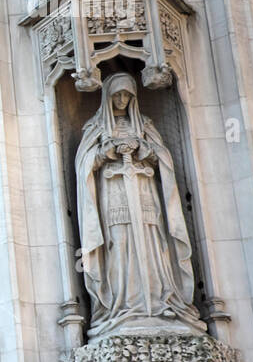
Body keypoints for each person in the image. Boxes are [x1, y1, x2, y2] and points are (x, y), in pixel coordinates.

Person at [74, 72, 203, 335]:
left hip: (144, 193)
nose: (122, 99)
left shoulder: (144, 125)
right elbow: (84, 166)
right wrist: (104, 152)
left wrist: (144, 149)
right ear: (107, 97)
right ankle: (121, 306)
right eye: (117, 95)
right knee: (119, 244)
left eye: (127, 95)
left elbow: (163, 158)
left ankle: (158, 301)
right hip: (114, 195)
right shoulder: (95, 128)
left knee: (153, 244)